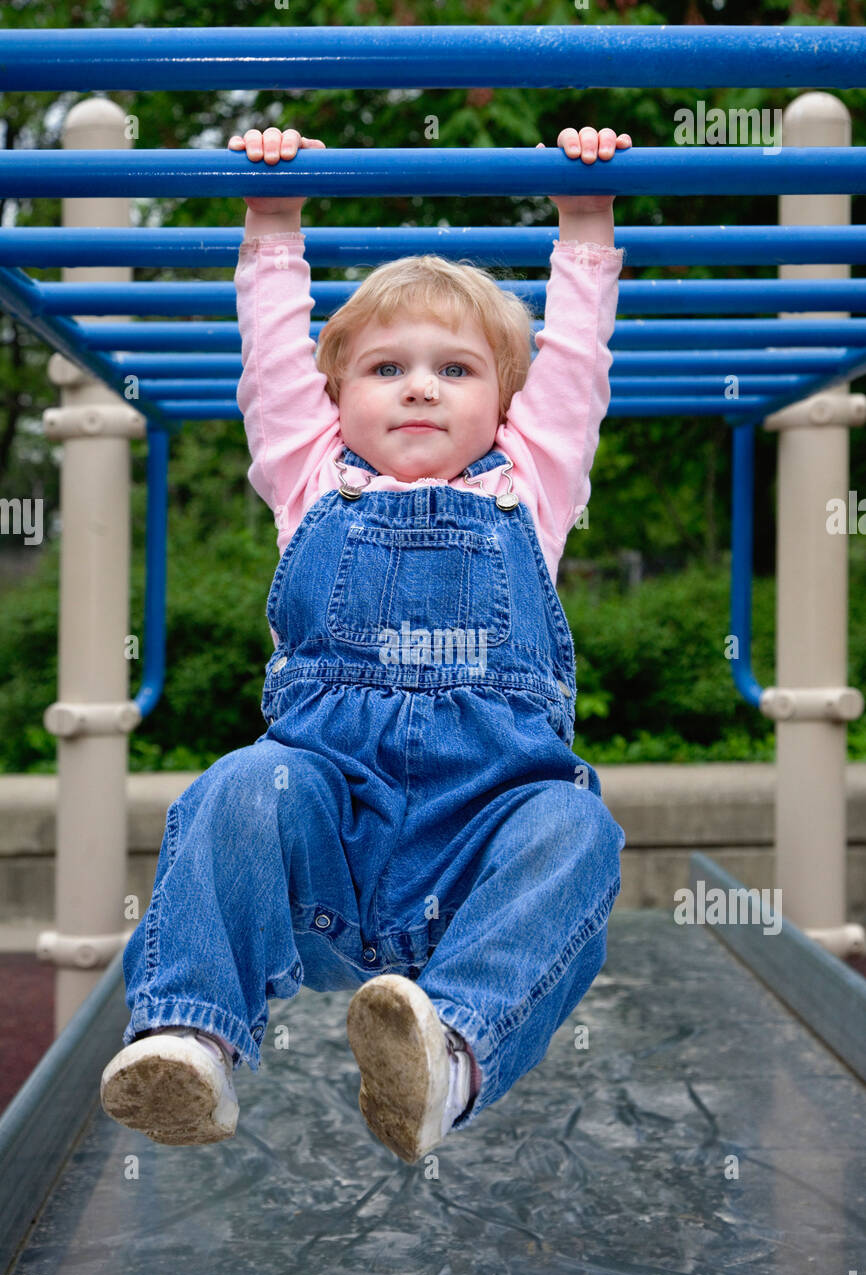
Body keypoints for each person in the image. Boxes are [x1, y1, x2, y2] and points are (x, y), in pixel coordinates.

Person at [100, 123, 630, 1165]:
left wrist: (583, 221)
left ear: (506, 401)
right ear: (337, 396)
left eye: (455, 368)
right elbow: (270, 359)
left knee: (577, 825)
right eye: (386, 367)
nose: (421, 386)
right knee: (239, 784)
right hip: (328, 852)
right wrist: (272, 221)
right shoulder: (309, 476)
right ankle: (188, 1037)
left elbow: (578, 360)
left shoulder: (535, 480)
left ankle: (447, 1059)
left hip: (483, 844)